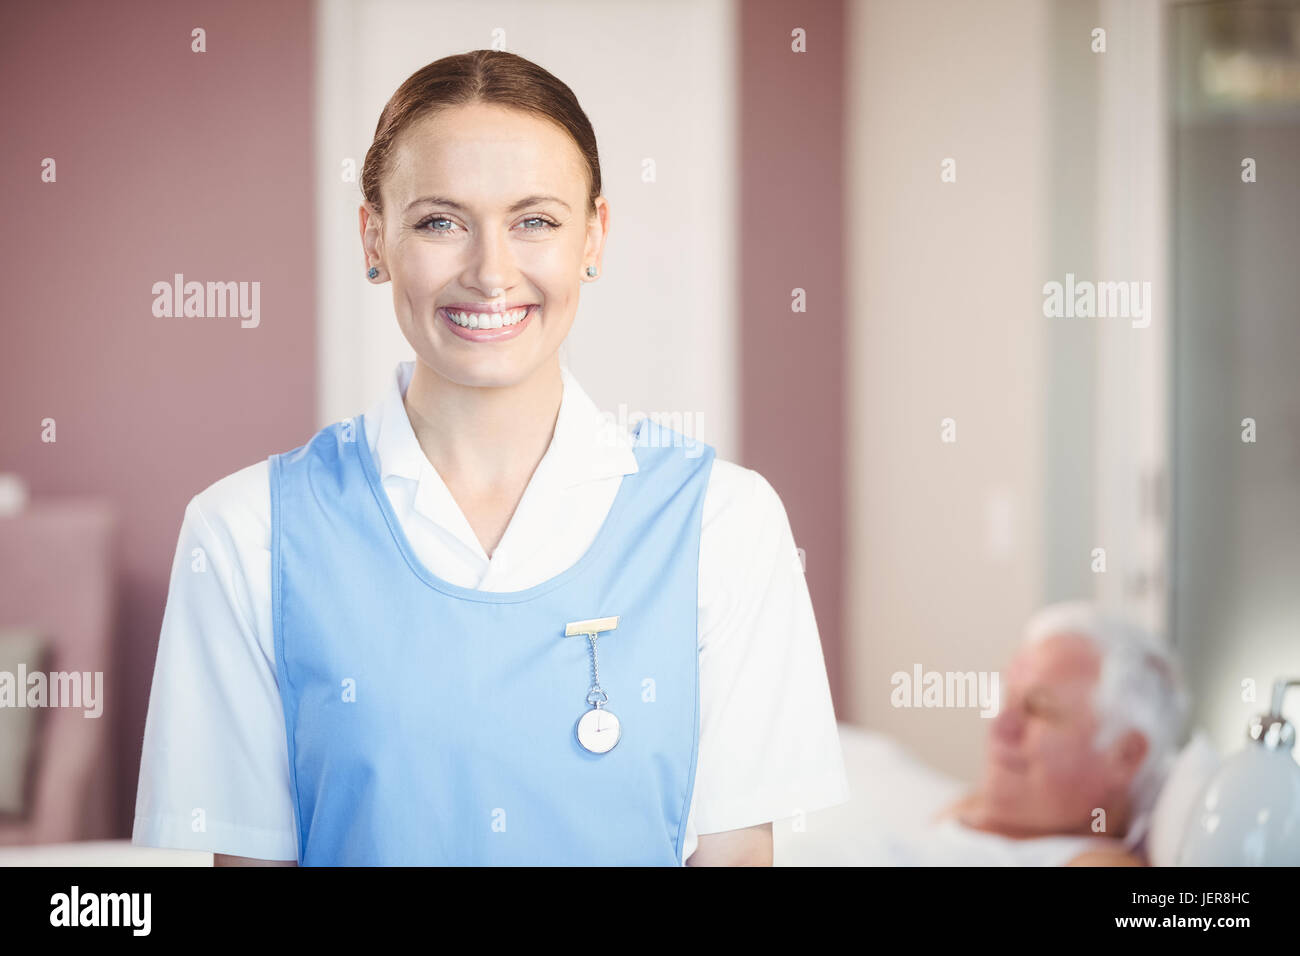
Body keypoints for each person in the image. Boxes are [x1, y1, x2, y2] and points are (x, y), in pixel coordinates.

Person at [131, 49, 848, 866]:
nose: (491, 272)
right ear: (375, 239)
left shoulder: (725, 521)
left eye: (534, 220)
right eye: (441, 221)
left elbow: (734, 857)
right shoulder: (245, 532)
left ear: (595, 236)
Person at [927, 601, 1189, 865]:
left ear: (1124, 756)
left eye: (1038, 708)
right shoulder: (970, 811)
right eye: (1007, 699)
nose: (1000, 726)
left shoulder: (1093, 861)